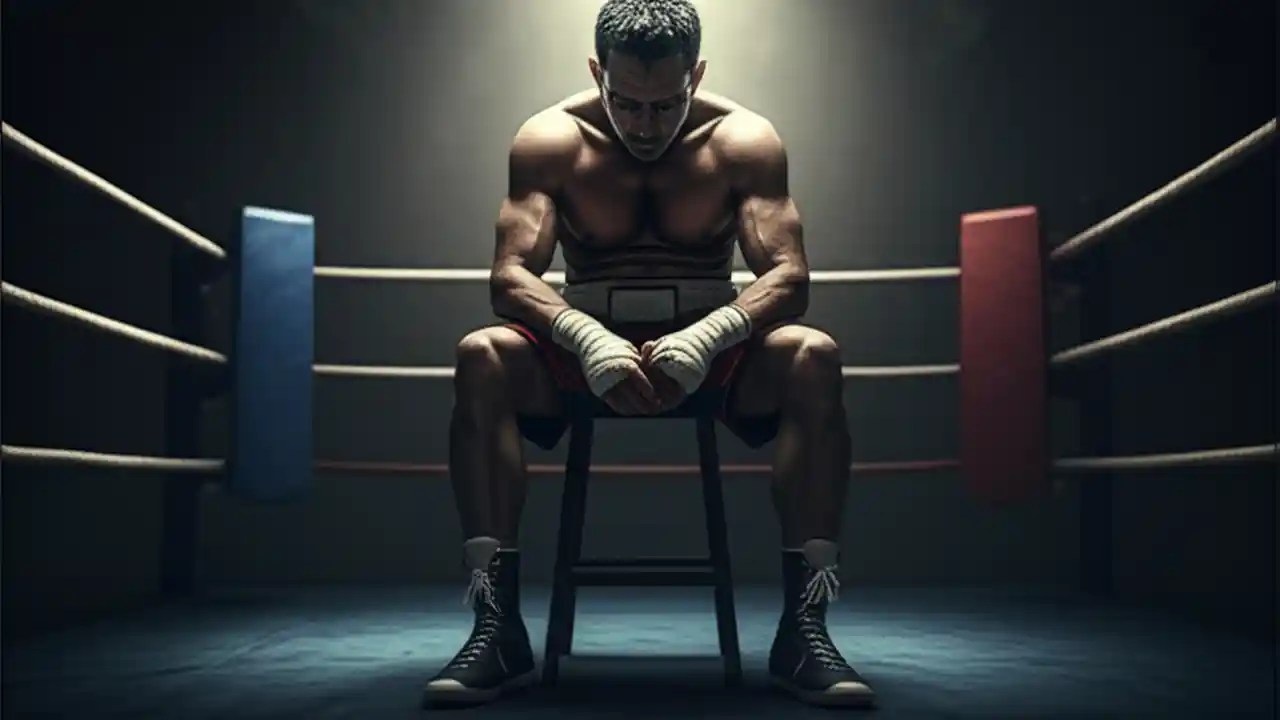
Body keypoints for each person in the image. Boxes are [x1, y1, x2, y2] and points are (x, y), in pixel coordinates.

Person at [422, 0, 873, 709]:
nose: (644, 125)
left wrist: (708, 336)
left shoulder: (743, 141)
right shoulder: (551, 140)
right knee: (481, 356)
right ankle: (496, 625)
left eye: (665, 105)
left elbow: (790, 275)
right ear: (597, 72)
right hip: (584, 356)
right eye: (627, 103)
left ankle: (804, 631)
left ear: (697, 74)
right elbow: (509, 275)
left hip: (712, 356)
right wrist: (586, 338)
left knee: (814, 357)